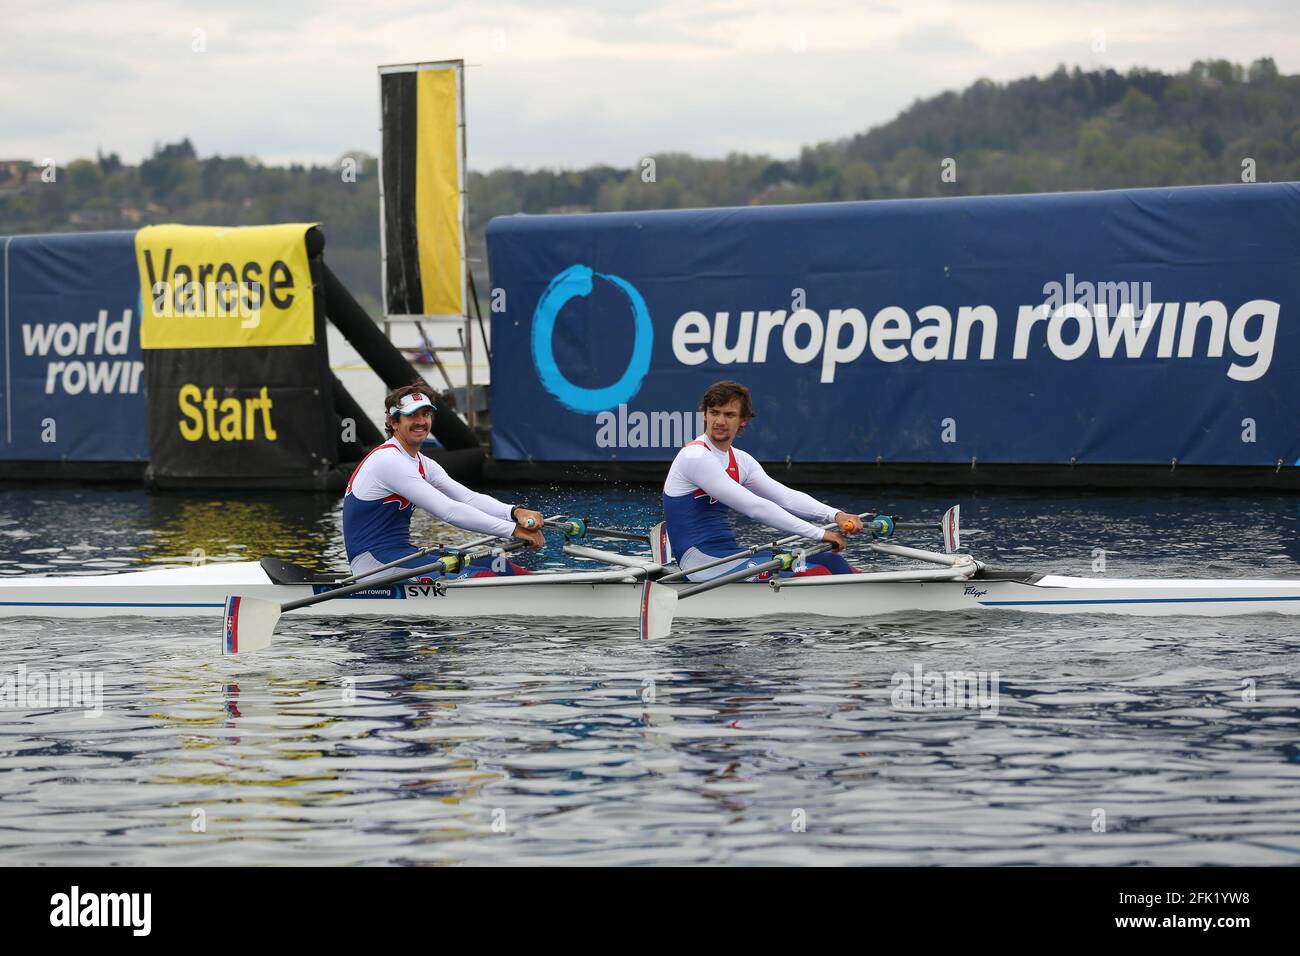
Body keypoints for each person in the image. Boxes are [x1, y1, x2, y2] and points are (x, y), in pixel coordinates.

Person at [663, 380, 872, 582]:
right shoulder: (695, 457)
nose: (719, 421)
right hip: (702, 565)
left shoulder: (741, 460)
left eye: (729, 415)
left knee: (831, 562)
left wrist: (835, 515)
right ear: (705, 415)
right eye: (714, 413)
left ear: (743, 419)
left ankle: (868, 596)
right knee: (813, 572)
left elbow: (786, 498)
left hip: (731, 554)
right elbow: (756, 508)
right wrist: (820, 534)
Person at [343, 383, 544, 581]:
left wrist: (515, 512)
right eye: (412, 415)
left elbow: (468, 498)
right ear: (393, 422)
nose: (421, 421)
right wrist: (513, 530)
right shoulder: (388, 461)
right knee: (484, 576)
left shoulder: (423, 463)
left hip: (401, 554)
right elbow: (449, 511)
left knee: (499, 565)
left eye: (426, 414)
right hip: (373, 565)